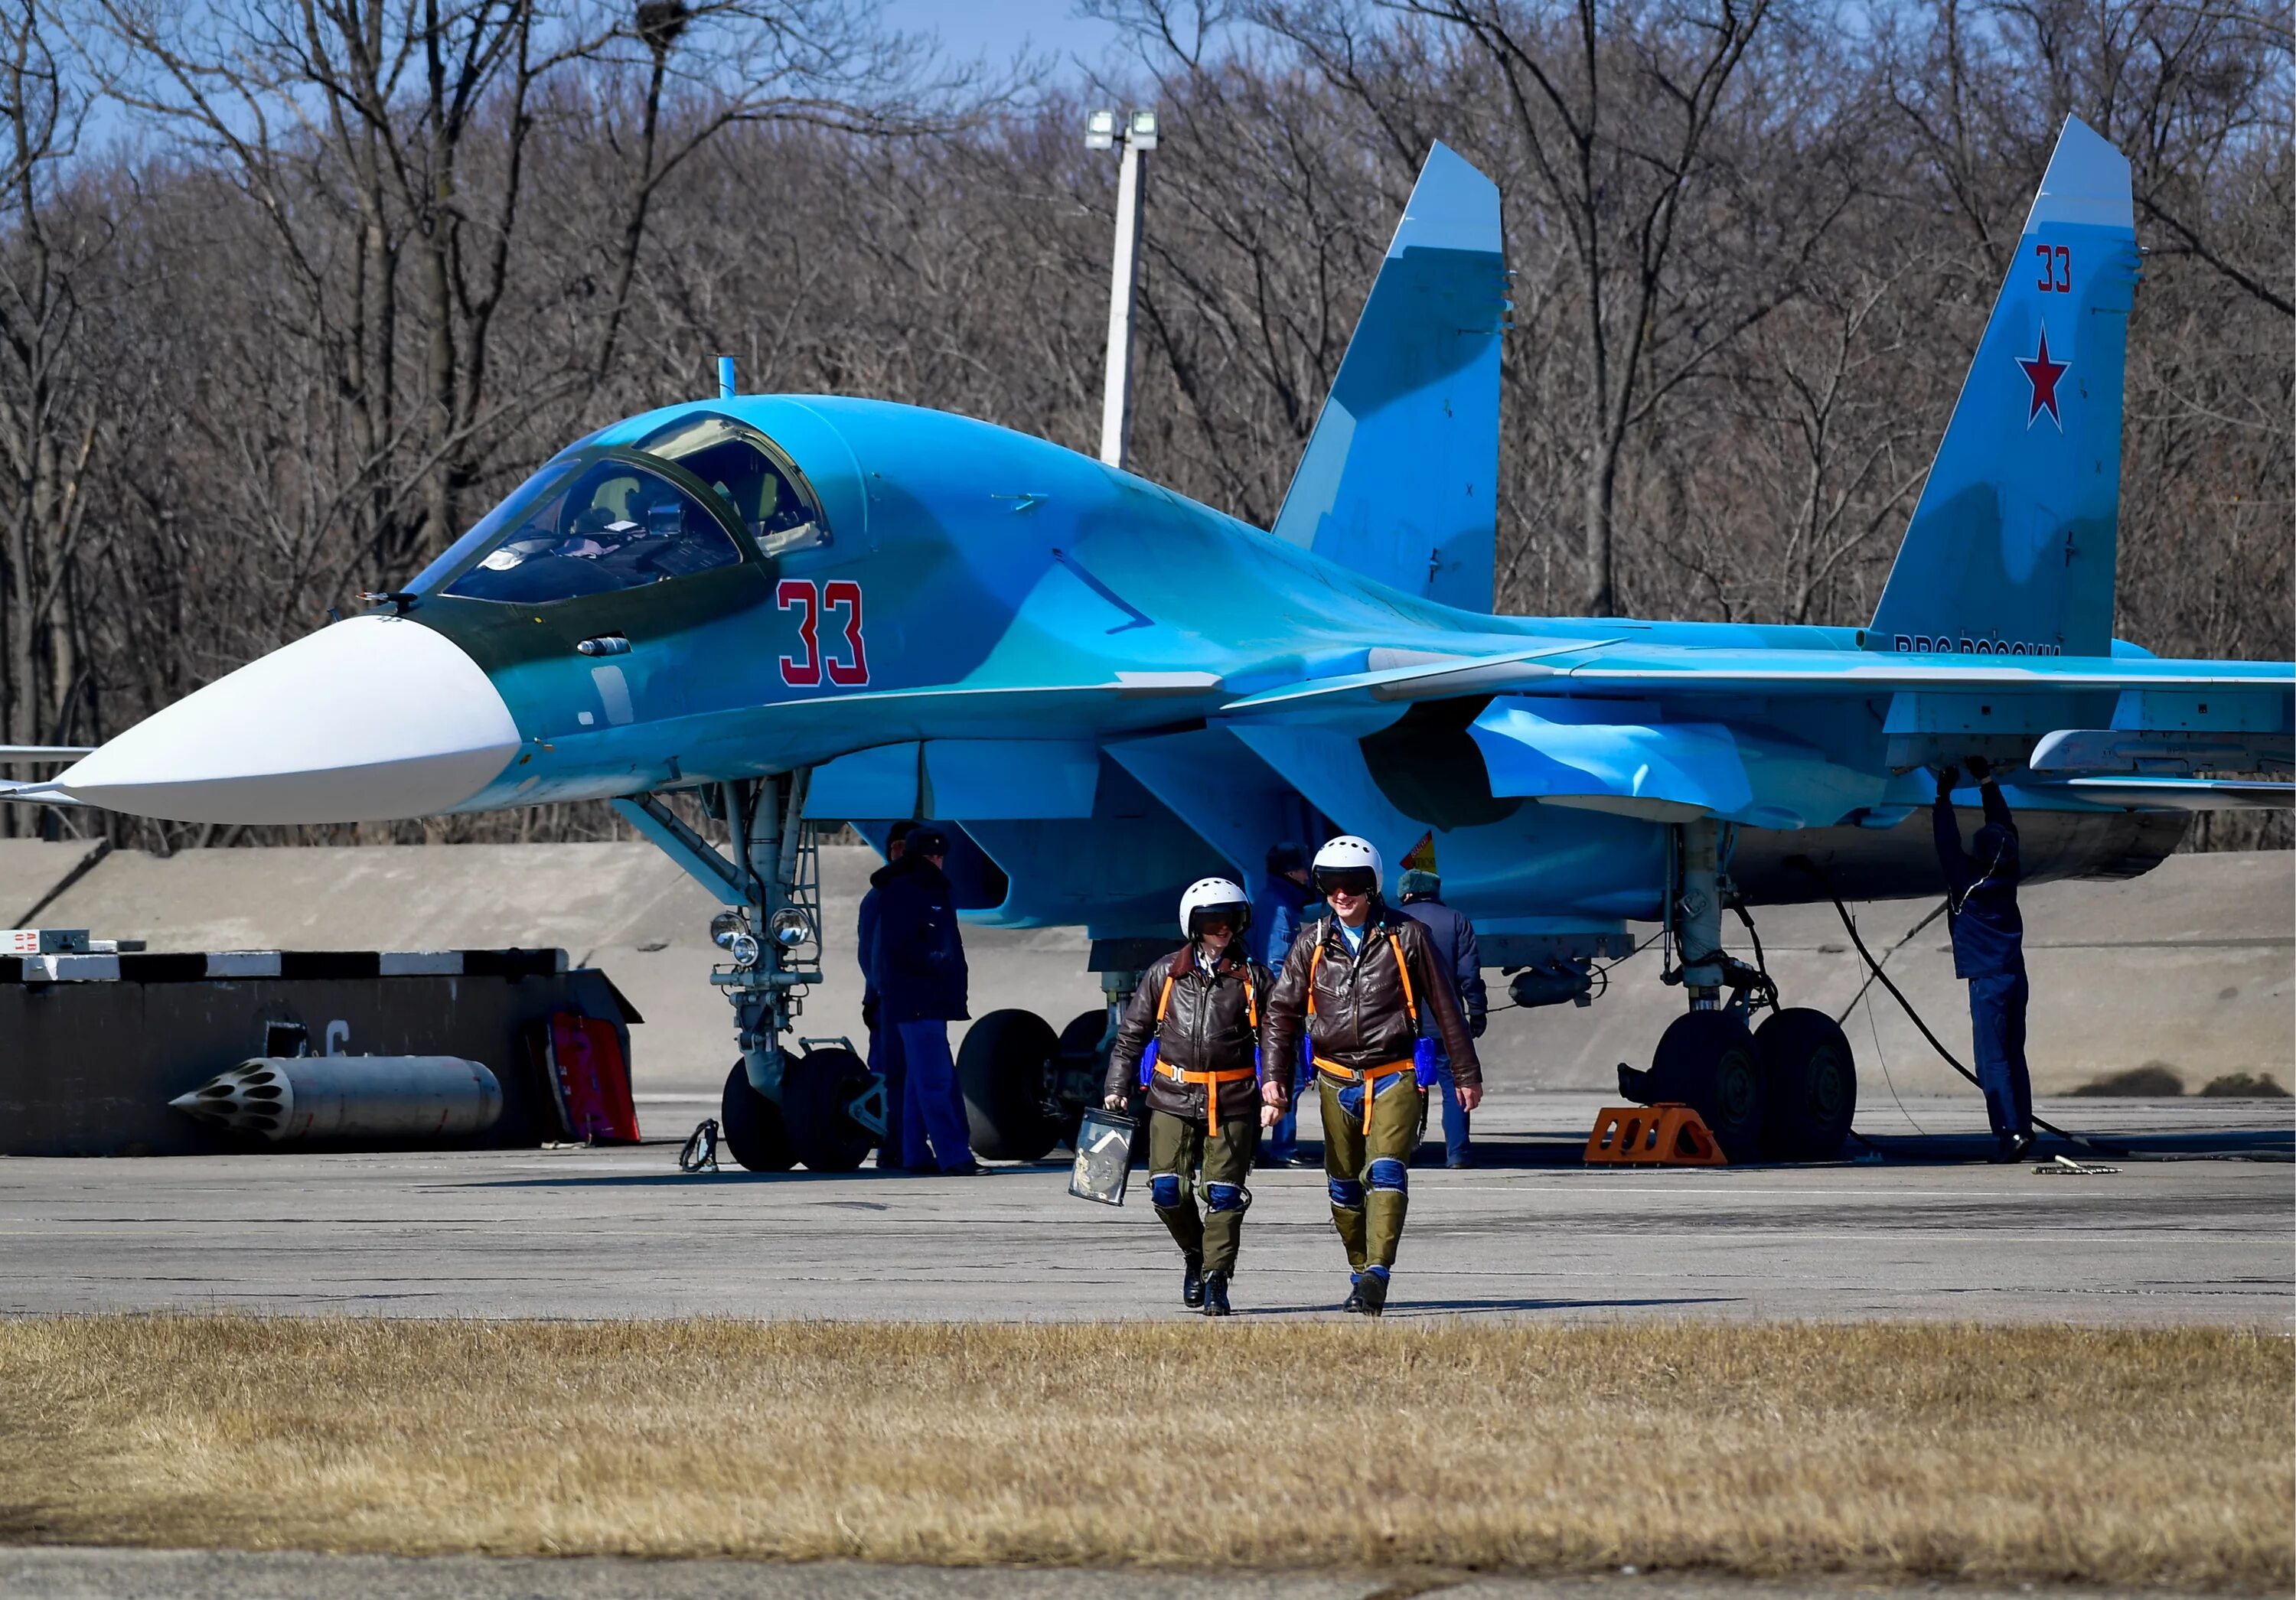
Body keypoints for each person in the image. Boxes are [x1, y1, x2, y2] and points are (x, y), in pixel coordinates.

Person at [1262, 836, 1481, 1315]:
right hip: (1334, 1077)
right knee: (1343, 1184)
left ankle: (1378, 1273)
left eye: (1353, 884)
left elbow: (1446, 1007)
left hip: (1395, 1071)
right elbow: (1280, 1013)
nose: (1342, 894)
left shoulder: (1410, 936)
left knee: (1386, 1172)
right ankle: (1361, 1272)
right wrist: (1273, 1078)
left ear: (1373, 886)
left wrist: (1465, 1073)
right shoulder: (1310, 942)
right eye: (1331, 884)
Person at [1103, 878, 1274, 1316]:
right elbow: (1131, 1035)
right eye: (1213, 920)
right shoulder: (1165, 974)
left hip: (1233, 1098)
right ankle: (1195, 1256)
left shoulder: (1255, 979)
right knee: (1167, 1191)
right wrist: (1117, 1088)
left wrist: (1276, 1091)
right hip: (1172, 1096)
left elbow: (1278, 1039)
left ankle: (1217, 1279)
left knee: (1223, 1194)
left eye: (1231, 919)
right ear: (1193, 926)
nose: (1223, 929)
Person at [1934, 758, 2033, 1162]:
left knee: (1992, 1061)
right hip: (2014, 974)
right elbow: (2004, 825)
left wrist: (1943, 794)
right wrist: (1987, 782)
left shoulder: (1967, 880)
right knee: (2014, 1055)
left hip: (1988, 982)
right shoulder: (2007, 872)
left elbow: (1945, 840)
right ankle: (2022, 1125)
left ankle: (2011, 1134)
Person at [869, 825, 981, 1175]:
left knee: (919, 1084)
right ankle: (954, 1157)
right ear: (918, 857)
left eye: (939, 855)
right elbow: (898, 947)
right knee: (936, 1081)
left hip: (928, 999)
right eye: (929, 856)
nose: (936, 861)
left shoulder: (930, 889)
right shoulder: (905, 890)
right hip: (917, 1000)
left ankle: (914, 1152)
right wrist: (939, 961)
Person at [1397, 868, 1488, 1168]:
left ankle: (1400, 1152)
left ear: (1407, 893)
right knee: (1455, 1089)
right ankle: (1457, 1154)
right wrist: (1477, 1010)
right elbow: (1469, 974)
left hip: (1402, 1024)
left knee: (1404, 1089)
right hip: (1446, 1024)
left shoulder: (1393, 922)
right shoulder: (1457, 920)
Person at [1251, 842, 1320, 1168]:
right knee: (1287, 1077)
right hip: (1278, 1011)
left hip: (1268, 1008)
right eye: (1304, 869)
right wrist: (1292, 1005)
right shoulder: (1280, 909)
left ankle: (1261, 1146)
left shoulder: (1274, 904)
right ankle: (1283, 1147)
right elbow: (1278, 964)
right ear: (1292, 871)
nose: (1308, 877)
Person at [856, 820, 916, 1170]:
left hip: (898, 1000)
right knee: (892, 1076)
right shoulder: (885, 896)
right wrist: (882, 995)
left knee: (904, 1076)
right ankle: (893, 1146)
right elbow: (874, 955)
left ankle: (898, 1145)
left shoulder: (903, 893)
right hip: (892, 1002)